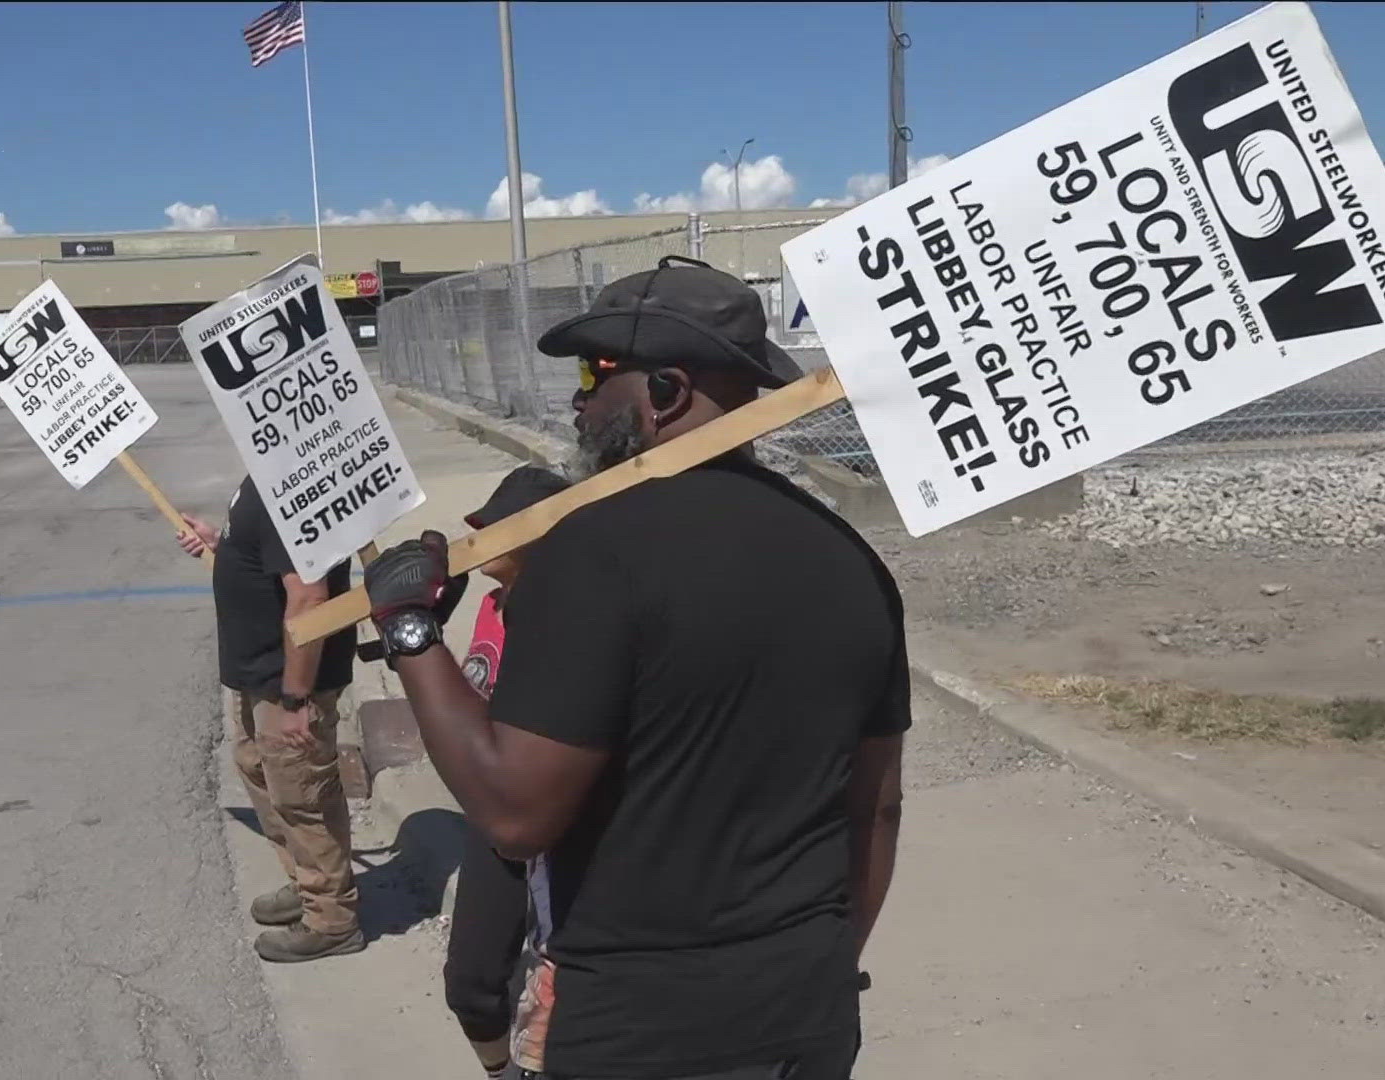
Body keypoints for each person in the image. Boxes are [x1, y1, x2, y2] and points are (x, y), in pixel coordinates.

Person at [362, 255, 909, 1080]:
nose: (579, 402)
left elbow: (515, 815)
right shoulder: (853, 562)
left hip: (643, 1033)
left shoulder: (595, 551)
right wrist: (818, 968)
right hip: (810, 1013)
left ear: (665, 394)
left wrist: (409, 632)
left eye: (594, 374)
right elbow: (876, 811)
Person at [176, 479, 365, 963]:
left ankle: (331, 919)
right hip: (260, 673)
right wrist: (224, 544)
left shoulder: (291, 484)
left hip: (288, 680)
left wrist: (296, 698)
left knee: (301, 793)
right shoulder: (264, 477)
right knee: (263, 773)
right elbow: (272, 559)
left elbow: (309, 597)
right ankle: (308, 884)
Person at [438, 466, 571, 1080]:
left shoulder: (574, 618)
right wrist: (424, 634)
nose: (483, 536)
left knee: (559, 1002)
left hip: (556, 824)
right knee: (469, 982)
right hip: (492, 811)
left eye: (501, 527)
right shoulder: (491, 605)